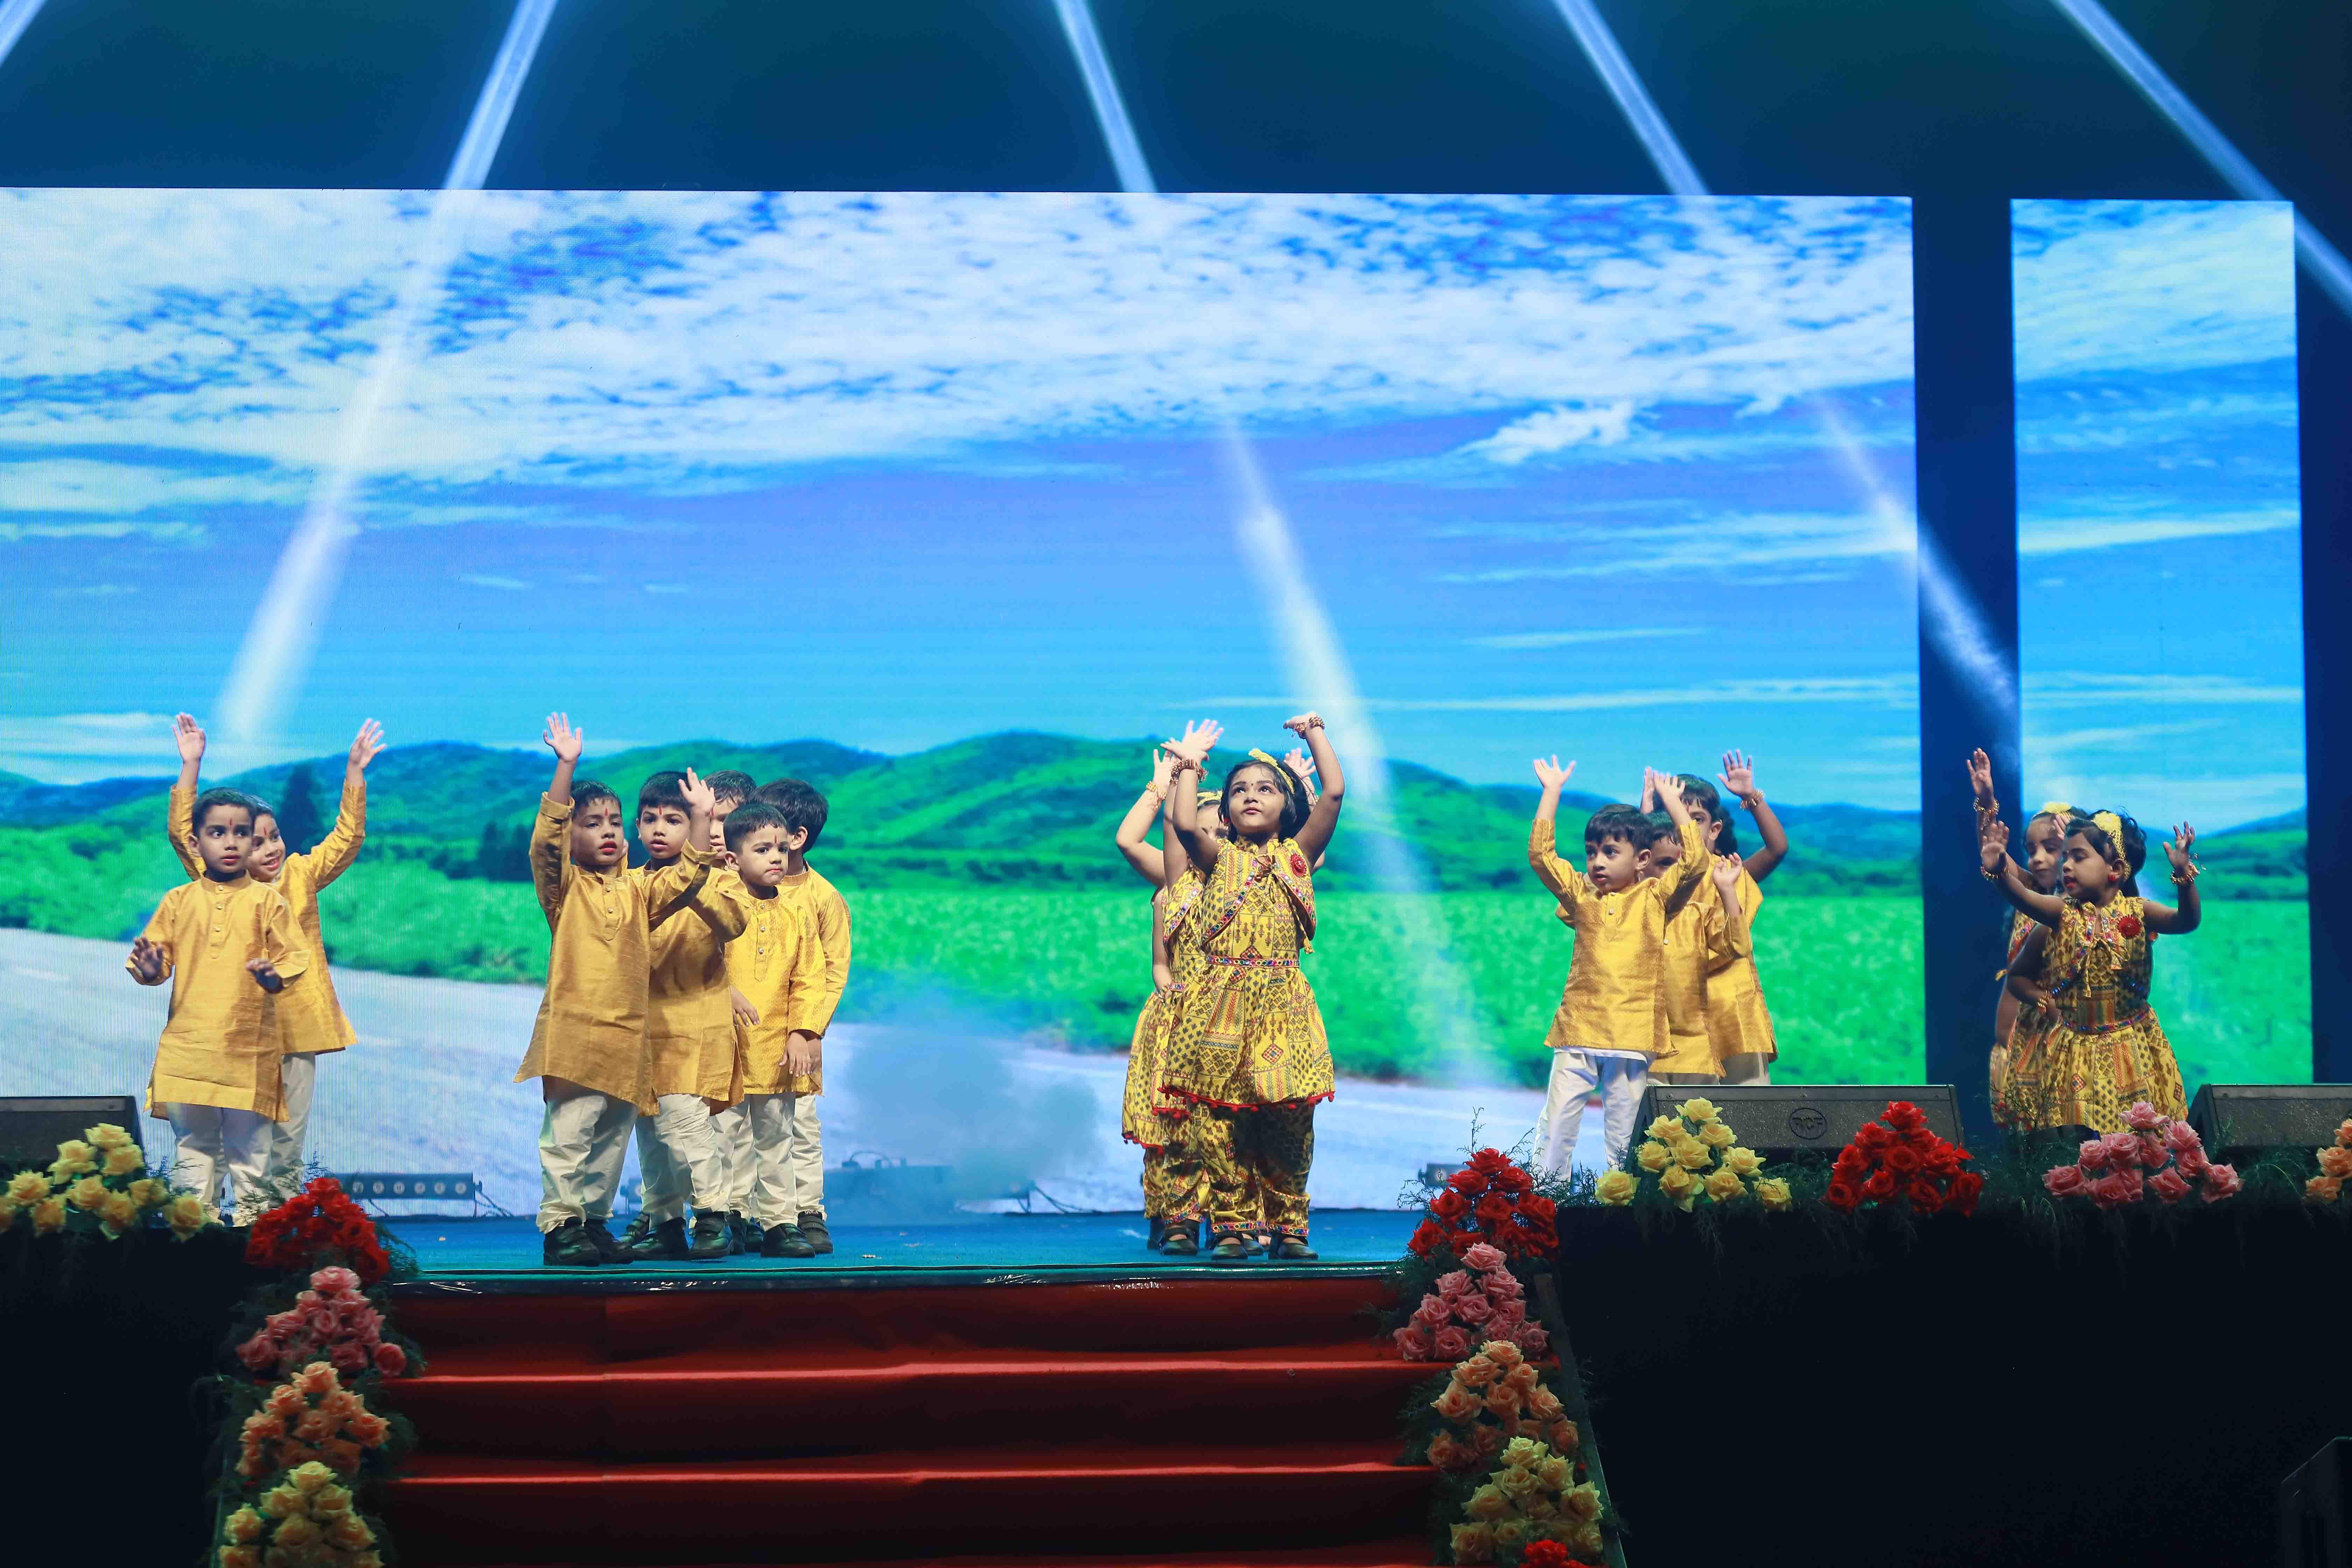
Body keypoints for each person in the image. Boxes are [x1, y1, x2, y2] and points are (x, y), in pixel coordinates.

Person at [511, 715, 725, 1267]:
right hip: (577, 1033)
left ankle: (594, 1223)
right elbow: (546, 840)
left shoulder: (638, 890)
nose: (607, 831)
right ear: (573, 835)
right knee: (571, 1134)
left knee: (610, 1140)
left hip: (628, 1038)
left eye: (613, 822)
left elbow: (686, 879)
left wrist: (701, 818)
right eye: (592, 823)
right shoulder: (565, 890)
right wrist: (566, 767)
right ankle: (561, 1227)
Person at [166, 714, 380, 1207]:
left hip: (296, 1030)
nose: (269, 848)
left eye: (273, 836)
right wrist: (191, 767)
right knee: (228, 1144)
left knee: (287, 1146)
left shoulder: (300, 875)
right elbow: (184, 834)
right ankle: (209, 1233)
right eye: (253, 840)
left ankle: (277, 1238)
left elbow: (346, 839)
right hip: (236, 1036)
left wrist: (354, 774)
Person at [1160, 714, 1344, 1264]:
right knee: (1220, 1121)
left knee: (1290, 1118)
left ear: (1287, 806)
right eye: (1239, 790)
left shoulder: (1298, 857)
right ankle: (1231, 1227)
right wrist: (1190, 763)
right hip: (1222, 1005)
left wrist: (1314, 733)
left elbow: (1333, 792)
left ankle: (1289, 1226)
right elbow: (1186, 825)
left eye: (1264, 789)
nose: (1249, 797)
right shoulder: (1220, 861)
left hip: (1283, 1003)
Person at [127, 787, 307, 1222]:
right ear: (195, 844)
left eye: (242, 833)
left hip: (248, 1053)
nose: (231, 843)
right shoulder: (179, 901)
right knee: (193, 1154)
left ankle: (255, 1252)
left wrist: (273, 976)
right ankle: (195, 1248)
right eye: (218, 832)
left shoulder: (269, 901)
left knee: (252, 1161)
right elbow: (155, 965)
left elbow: (295, 958)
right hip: (189, 1053)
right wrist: (150, 967)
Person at [1526, 763, 1709, 1174]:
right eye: (1592, 852)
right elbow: (1541, 856)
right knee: (1554, 1130)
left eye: (1610, 852)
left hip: (1632, 1033)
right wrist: (1552, 790)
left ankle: (1622, 1208)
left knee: (1626, 1138)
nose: (1597, 862)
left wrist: (1676, 805)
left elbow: (1696, 861)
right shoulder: (1582, 895)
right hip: (1578, 1029)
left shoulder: (1656, 898)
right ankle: (1545, 1206)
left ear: (1643, 859)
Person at [1980, 800, 2200, 1135]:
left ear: (2115, 869)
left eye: (2078, 857)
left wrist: (2184, 878)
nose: (2066, 866)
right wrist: (1998, 871)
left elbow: (2186, 921)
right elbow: (2023, 901)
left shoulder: (2139, 913)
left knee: (2139, 1143)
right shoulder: (2059, 915)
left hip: (2135, 1049)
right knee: (2079, 1146)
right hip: (2075, 1053)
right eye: (2065, 856)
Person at [615, 771, 749, 1261]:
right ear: (636, 825)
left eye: (675, 820)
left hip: (694, 1024)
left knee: (687, 1125)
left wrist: (691, 878)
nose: (659, 829)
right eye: (650, 819)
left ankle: (713, 1216)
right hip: (642, 1028)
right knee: (650, 1133)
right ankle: (666, 1222)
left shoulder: (722, 878)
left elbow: (733, 924)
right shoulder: (628, 883)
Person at [715, 776, 850, 1257]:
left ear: (795, 838)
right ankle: (738, 1215)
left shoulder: (821, 898)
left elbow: (828, 972)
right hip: (733, 1040)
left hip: (794, 1040)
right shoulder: (727, 890)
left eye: (775, 834)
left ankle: (804, 1213)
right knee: (733, 1130)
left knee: (796, 1129)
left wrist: (810, 1031)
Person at [1111, 733, 1216, 1253]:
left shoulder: (1248, 878)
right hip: (1177, 1015)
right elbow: (1130, 840)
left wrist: (1299, 797)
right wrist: (1164, 783)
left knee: (1228, 1123)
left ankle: (1231, 1220)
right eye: (1202, 825)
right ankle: (1174, 1215)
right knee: (1173, 1126)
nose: (1209, 835)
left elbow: (1310, 859)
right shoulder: (1177, 878)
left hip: (1232, 1012)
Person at [1965, 750, 2074, 1126]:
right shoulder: (2029, 892)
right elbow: (1995, 858)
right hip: (2013, 1052)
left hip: (2057, 1055)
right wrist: (1986, 803)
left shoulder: (2075, 910)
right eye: (2031, 850)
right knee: (2023, 1158)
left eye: (2052, 848)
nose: (2039, 859)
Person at [1675, 753, 1784, 1085]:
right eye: (1675, 818)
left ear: (1714, 829)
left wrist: (1751, 796)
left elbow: (1777, 848)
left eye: (1696, 818)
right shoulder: (1652, 884)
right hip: (1680, 1015)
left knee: (1750, 1115)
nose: (1685, 828)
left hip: (1734, 1013)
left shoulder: (1730, 874)